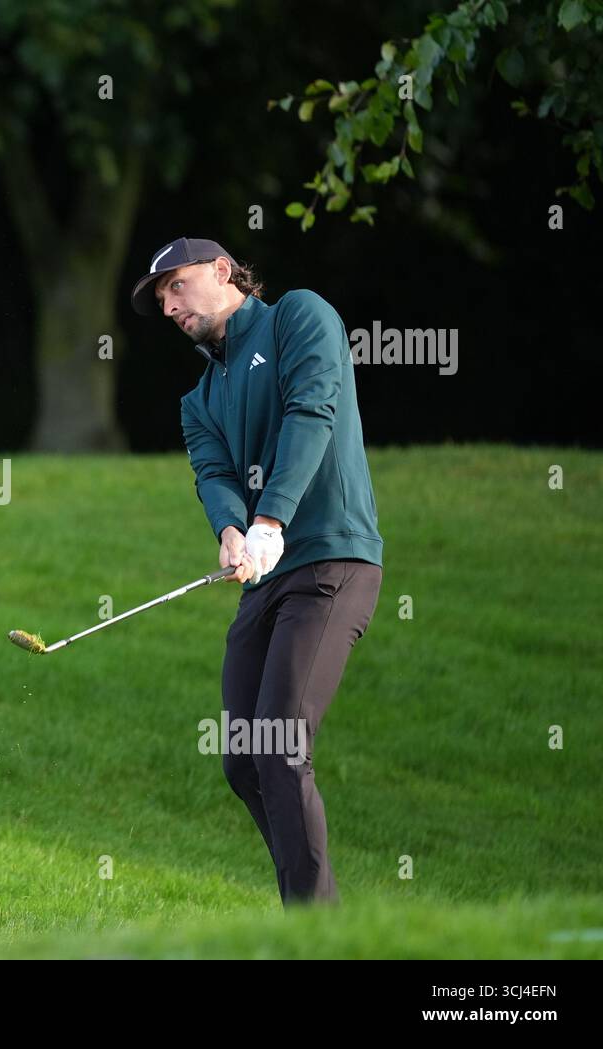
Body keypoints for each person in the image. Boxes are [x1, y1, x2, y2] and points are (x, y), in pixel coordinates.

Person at [130, 237, 384, 906]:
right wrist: (232, 530)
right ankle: (317, 910)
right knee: (243, 759)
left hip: (332, 559)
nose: (168, 305)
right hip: (265, 581)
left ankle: (315, 931)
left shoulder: (298, 317)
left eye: (176, 286)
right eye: (160, 300)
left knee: (279, 747)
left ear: (222, 271)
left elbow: (313, 412)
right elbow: (213, 473)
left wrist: (270, 519)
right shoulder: (199, 398)